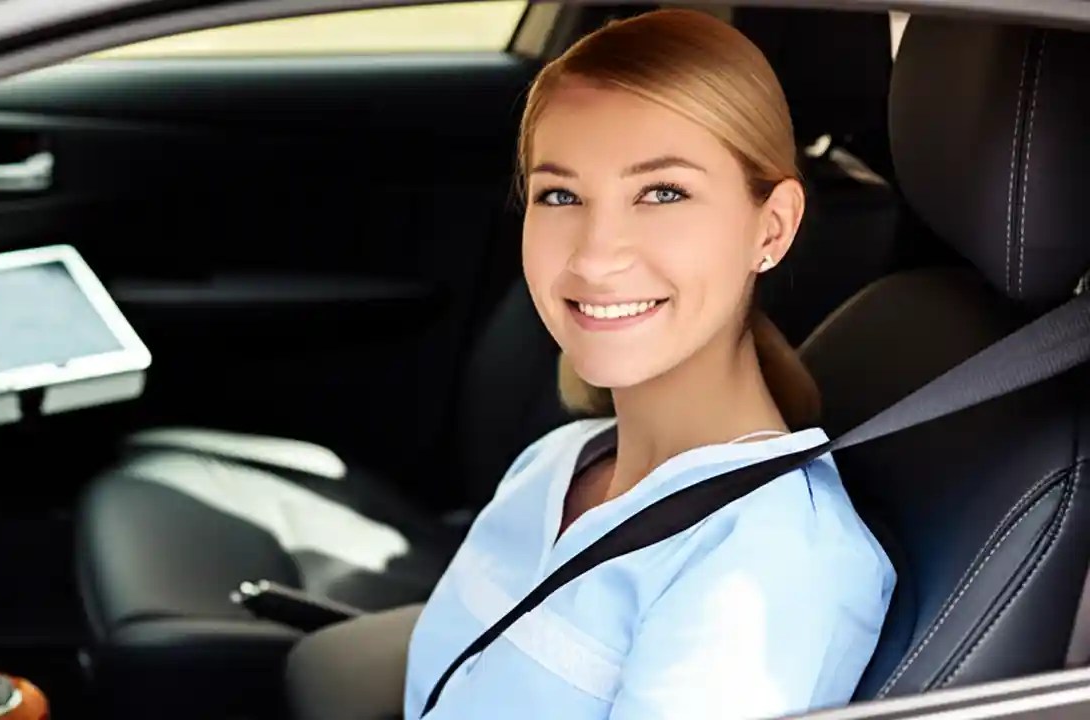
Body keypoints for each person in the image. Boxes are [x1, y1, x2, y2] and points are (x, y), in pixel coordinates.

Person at [286, 8, 895, 719]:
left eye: (663, 193)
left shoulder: (769, 571)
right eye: (561, 195)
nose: (595, 255)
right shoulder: (559, 461)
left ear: (772, 226)